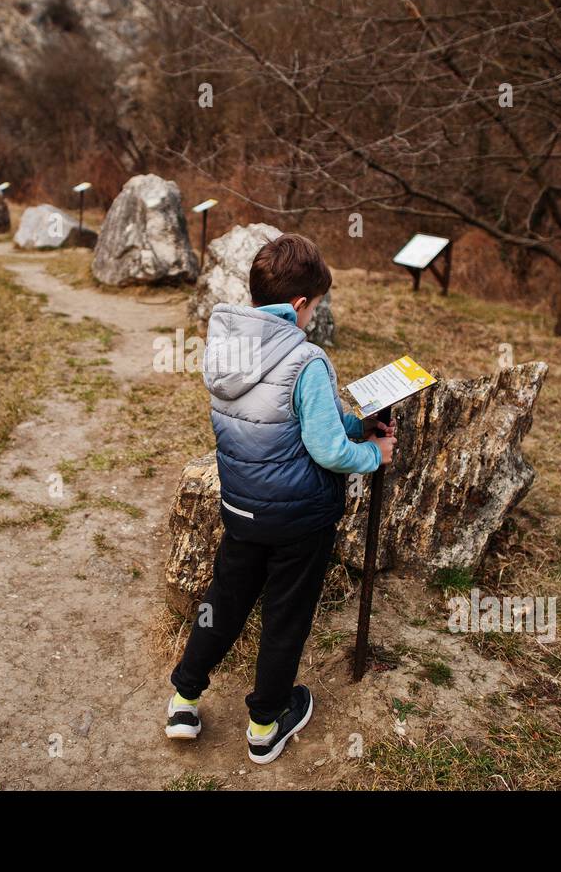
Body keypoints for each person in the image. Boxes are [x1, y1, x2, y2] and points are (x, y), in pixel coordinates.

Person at [165, 233, 395, 764]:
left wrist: (357, 423)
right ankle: (267, 723)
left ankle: (184, 698)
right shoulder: (306, 360)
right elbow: (326, 449)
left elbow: (287, 420)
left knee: (222, 604)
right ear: (298, 305)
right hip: (298, 521)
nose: (314, 317)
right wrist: (374, 454)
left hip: (242, 509)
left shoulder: (226, 346)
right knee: (284, 616)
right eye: (315, 306)